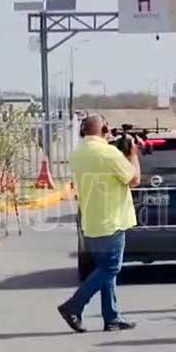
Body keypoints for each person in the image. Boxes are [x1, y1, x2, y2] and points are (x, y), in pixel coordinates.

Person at [57, 114, 141, 333]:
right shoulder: (109, 153)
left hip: (91, 221)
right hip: (112, 220)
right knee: (111, 268)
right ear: (104, 130)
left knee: (105, 270)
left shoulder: (77, 154)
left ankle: (111, 317)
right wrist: (132, 154)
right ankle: (73, 306)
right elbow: (134, 179)